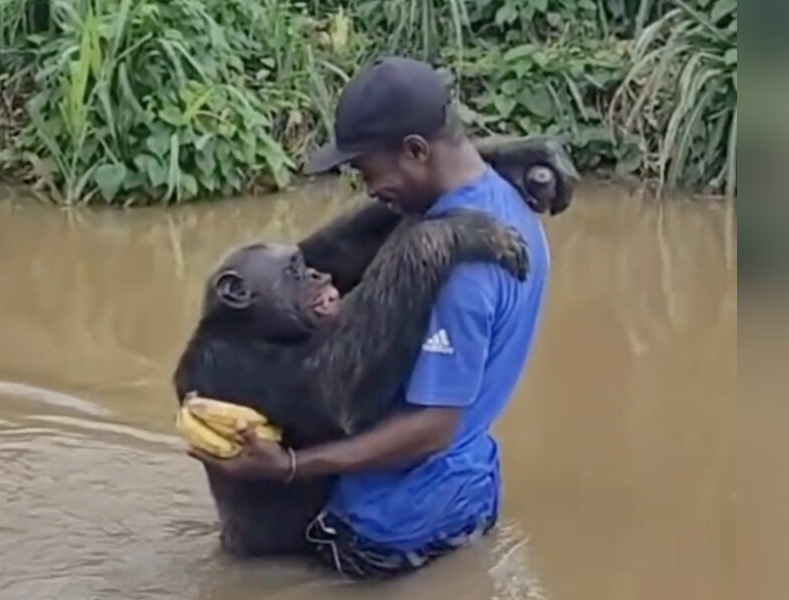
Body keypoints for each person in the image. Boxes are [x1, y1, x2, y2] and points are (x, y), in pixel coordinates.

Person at [189, 56, 551, 579]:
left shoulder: (457, 255)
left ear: (416, 151)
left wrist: (290, 468)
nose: (366, 187)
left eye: (366, 169)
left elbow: (428, 426)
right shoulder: (500, 206)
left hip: (387, 529)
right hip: (467, 490)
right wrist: (507, 158)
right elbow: (345, 246)